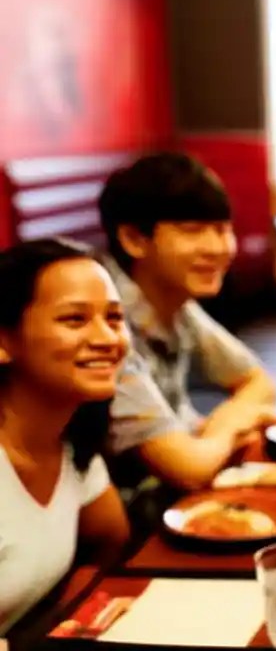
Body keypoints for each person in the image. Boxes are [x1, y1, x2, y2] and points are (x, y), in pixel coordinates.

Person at [97, 154, 276, 495]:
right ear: (134, 239)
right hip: (122, 525)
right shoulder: (105, 323)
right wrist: (233, 424)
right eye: (192, 230)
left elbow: (259, 382)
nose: (217, 248)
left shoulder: (175, 300)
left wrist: (215, 432)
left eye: (223, 229)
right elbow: (188, 469)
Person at [0, 239, 130, 638]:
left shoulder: (74, 443)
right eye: (75, 319)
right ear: (5, 340)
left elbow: (114, 538)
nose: (107, 338)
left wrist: (72, 615)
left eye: (114, 317)